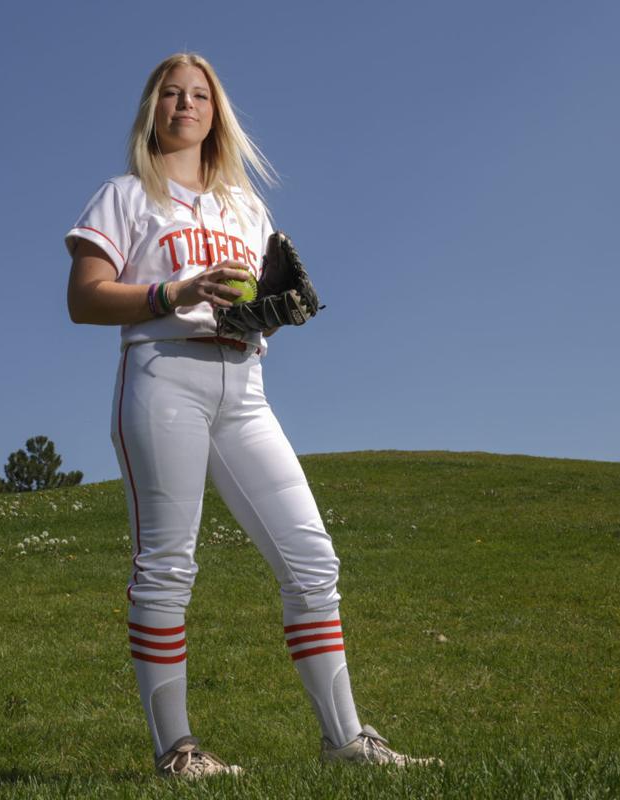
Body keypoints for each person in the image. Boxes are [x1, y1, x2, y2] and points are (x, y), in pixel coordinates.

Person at [65, 52, 440, 779]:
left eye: (198, 94)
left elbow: (260, 299)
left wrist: (274, 312)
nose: (184, 104)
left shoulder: (246, 205)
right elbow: (83, 298)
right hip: (163, 373)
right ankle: (178, 752)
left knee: (312, 560)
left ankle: (345, 742)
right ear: (152, 110)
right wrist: (168, 294)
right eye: (169, 94)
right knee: (168, 567)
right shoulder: (123, 196)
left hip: (245, 385)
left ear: (216, 111)